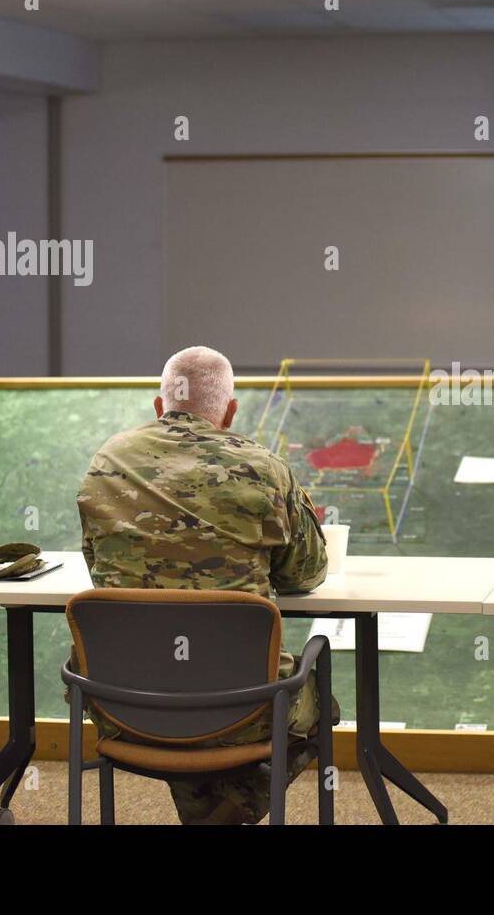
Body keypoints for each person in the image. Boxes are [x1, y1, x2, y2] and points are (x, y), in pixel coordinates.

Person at [76, 345, 329, 824]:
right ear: (230, 413)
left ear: (159, 405)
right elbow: (305, 574)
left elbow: (101, 569)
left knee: (180, 680)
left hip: (124, 703)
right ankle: (230, 813)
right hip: (242, 709)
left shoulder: (105, 462)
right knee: (319, 703)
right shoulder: (264, 468)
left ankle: (213, 816)